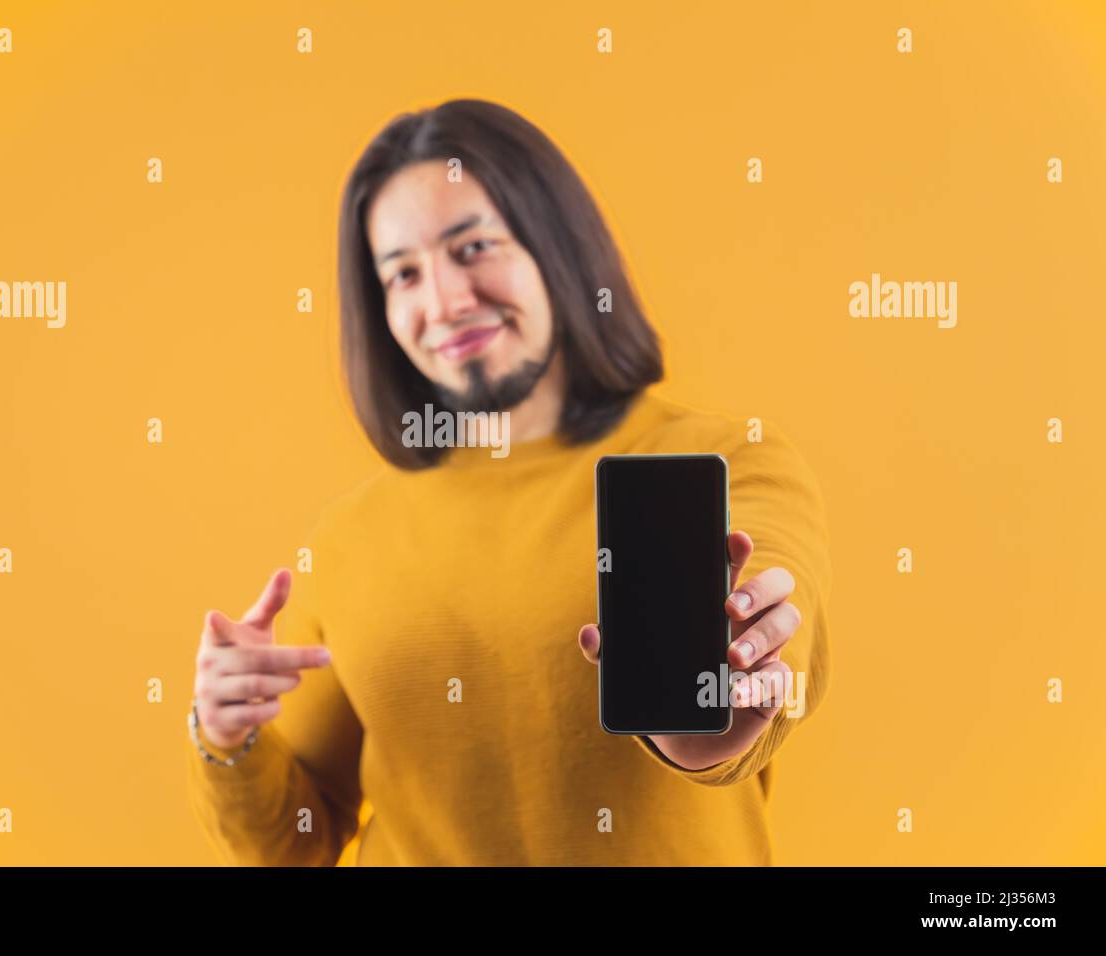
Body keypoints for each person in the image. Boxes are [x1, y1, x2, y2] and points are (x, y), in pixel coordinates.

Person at [185, 98, 833, 866]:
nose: (444, 303)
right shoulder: (349, 536)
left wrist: (727, 701)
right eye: (401, 274)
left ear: (558, 248)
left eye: (474, 247)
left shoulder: (725, 462)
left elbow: (765, 658)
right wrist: (227, 736)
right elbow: (299, 842)